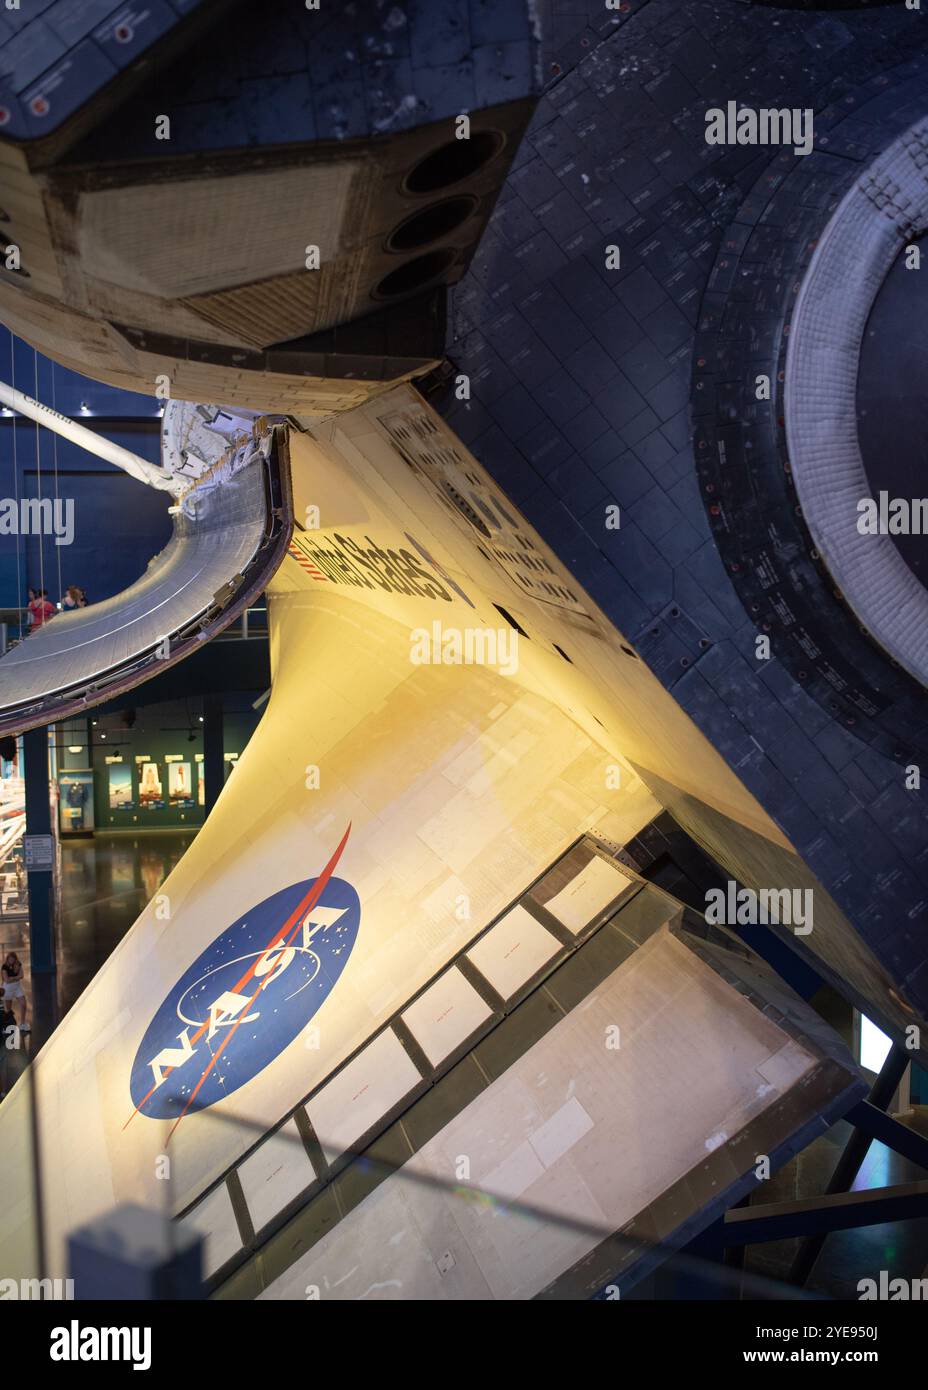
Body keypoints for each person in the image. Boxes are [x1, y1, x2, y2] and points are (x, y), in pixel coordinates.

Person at [1, 951, 29, 1034]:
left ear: (15, 959)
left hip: (17, 987)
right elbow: (6, 980)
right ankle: (6, 1027)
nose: (11, 960)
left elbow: (22, 975)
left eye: (13, 959)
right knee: (8, 1010)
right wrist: (17, 977)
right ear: (7, 959)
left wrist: (12, 978)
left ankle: (22, 1024)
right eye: (10, 959)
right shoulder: (4, 967)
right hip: (8, 989)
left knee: (23, 1004)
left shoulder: (18, 964)